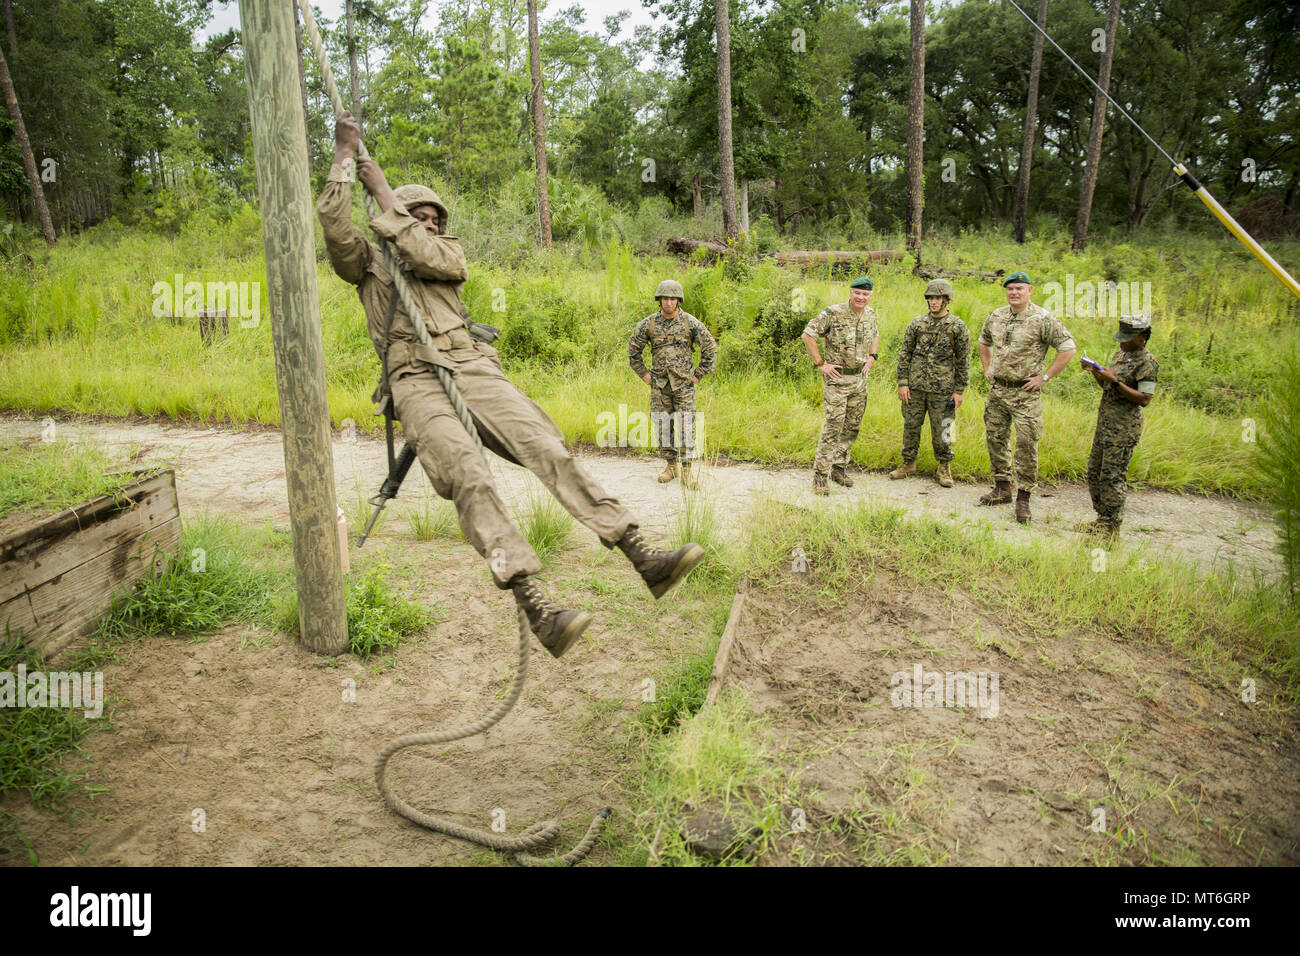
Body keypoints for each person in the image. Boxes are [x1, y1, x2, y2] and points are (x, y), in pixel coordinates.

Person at [316, 113, 703, 658]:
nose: (425, 224)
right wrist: (342, 157)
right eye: (415, 216)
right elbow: (333, 225)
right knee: (467, 475)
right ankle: (537, 607)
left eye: (432, 217)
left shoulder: (446, 255)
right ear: (391, 219)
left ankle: (641, 554)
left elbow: (427, 254)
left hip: (472, 365)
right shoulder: (369, 262)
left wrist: (383, 192)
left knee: (546, 447)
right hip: (414, 376)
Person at [976, 271, 1076, 523]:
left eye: (1020, 288)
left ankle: (1023, 498)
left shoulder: (1042, 318)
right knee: (996, 437)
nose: (1014, 293)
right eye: (1010, 289)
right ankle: (1001, 487)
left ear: (1030, 290)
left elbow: (1067, 348)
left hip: (1025, 393)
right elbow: (983, 341)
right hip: (998, 390)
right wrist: (987, 368)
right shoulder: (997, 316)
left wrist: (1044, 377)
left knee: (1026, 444)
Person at [627, 280, 718, 488]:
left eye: (672, 299)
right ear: (659, 300)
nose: (668, 302)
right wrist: (645, 376)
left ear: (678, 300)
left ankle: (687, 471)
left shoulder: (689, 322)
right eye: (665, 298)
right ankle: (671, 467)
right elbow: (633, 350)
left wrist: (698, 375)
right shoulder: (649, 324)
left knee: (686, 427)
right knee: (662, 427)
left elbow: (710, 347)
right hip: (659, 386)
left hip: (684, 385)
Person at [1075, 314, 1159, 537]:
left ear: (1142, 337)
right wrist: (1097, 373)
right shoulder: (1121, 354)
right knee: (1094, 472)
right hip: (1105, 423)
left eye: (1127, 338)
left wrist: (1115, 381)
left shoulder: (1147, 362)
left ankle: (1112, 529)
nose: (1121, 342)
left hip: (1124, 428)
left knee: (1113, 476)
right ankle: (1102, 519)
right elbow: (1107, 387)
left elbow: (1144, 399)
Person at [801, 276, 880, 496]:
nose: (861, 297)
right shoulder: (833, 313)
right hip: (837, 381)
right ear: (850, 293)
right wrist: (821, 364)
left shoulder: (871, 314)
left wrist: (873, 356)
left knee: (852, 426)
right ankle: (820, 476)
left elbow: (875, 334)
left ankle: (839, 468)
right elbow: (808, 335)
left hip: (859, 381)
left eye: (865, 294)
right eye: (857, 293)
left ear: (870, 295)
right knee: (833, 427)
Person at [890, 278, 970, 487]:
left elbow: (963, 361)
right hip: (915, 388)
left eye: (938, 298)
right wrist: (902, 383)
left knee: (945, 428)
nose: (934, 302)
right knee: (911, 426)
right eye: (931, 298)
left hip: (943, 390)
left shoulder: (957, 327)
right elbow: (905, 354)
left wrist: (959, 390)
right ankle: (908, 462)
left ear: (946, 300)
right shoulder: (916, 324)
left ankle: (944, 467)